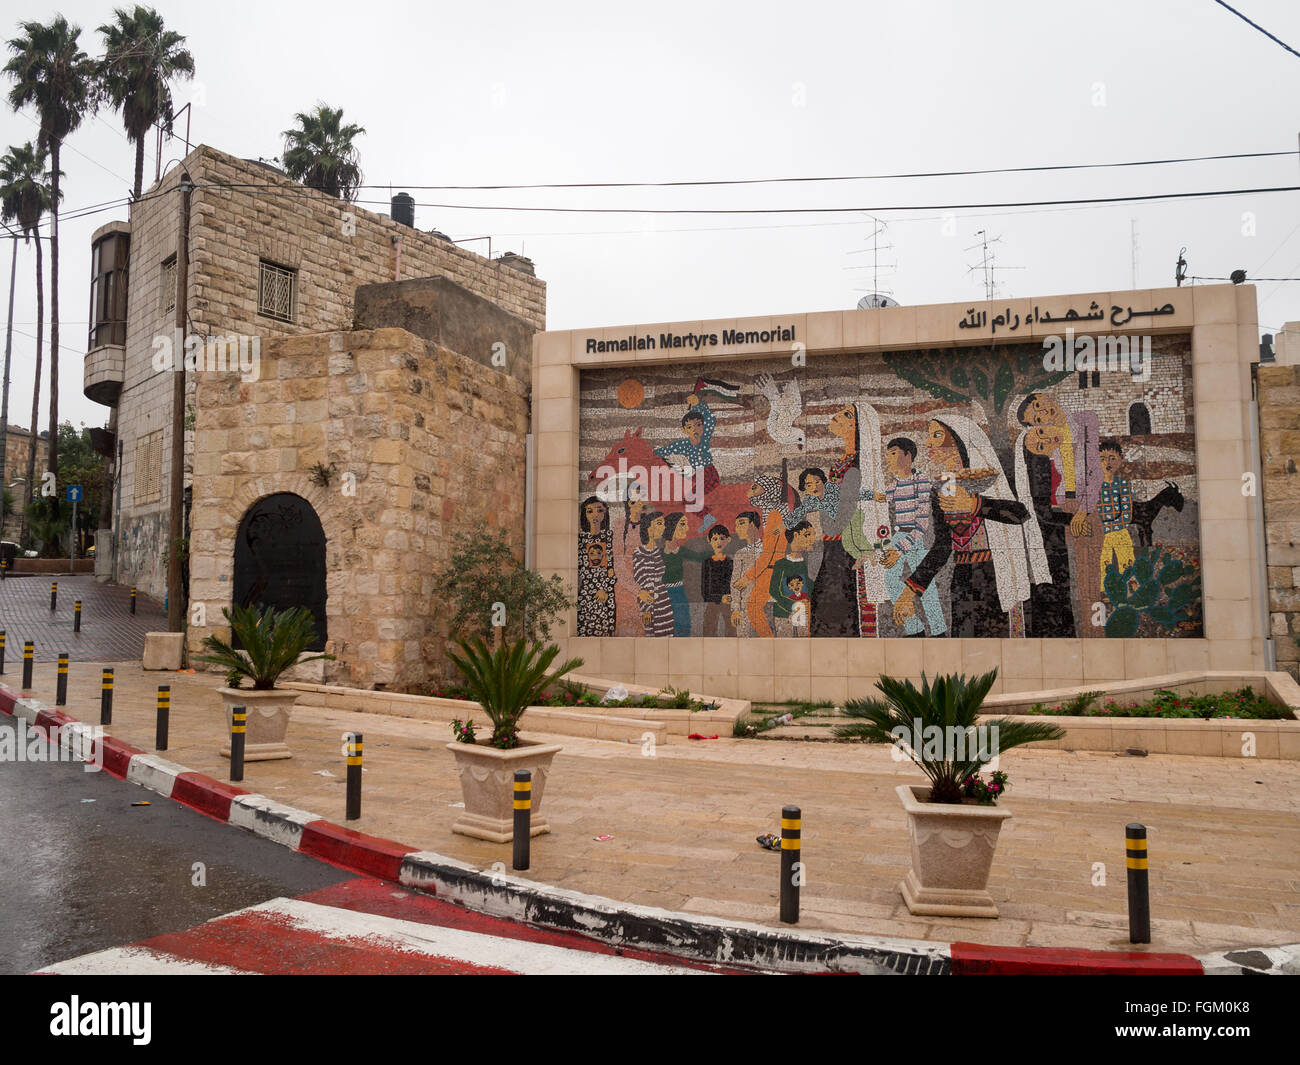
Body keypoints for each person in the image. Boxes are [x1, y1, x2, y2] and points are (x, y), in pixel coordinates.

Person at [894, 415, 1039, 638]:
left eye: (936, 435)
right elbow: (943, 546)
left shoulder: (987, 476)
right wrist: (910, 590)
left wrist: (974, 504)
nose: (929, 443)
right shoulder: (941, 486)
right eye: (929, 436)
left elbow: (1020, 513)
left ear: (958, 439)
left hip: (993, 575)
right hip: (962, 577)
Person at [1016, 392, 1103, 634]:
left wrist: (1082, 512)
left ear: (1043, 396)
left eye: (1037, 405)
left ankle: (1096, 634)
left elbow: (1095, 471)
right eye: (1036, 420)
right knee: (1070, 576)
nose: (1041, 413)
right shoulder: (1044, 442)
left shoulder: (1086, 420)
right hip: (1062, 509)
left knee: (1091, 577)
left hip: (1086, 508)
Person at [854, 437, 947, 637]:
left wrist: (899, 549)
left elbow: (921, 525)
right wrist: (855, 494)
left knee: (926, 586)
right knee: (890, 579)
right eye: (888, 454)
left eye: (893, 453)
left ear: (908, 455)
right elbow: (880, 496)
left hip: (915, 537)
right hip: (899, 534)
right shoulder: (896, 484)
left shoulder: (921, 482)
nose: (888, 458)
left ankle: (938, 631)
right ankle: (914, 628)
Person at [733, 477, 789, 638]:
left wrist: (748, 577)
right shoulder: (771, 513)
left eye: (755, 487)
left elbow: (769, 553)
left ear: (768, 489)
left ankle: (770, 642)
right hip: (772, 568)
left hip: (772, 570)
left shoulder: (774, 515)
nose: (750, 492)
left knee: (753, 608)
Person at [661, 512, 710, 636]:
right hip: (662, 594)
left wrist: (715, 548)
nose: (687, 528)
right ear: (672, 526)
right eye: (683, 524)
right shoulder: (659, 553)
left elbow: (699, 557)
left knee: (683, 625)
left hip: (679, 592)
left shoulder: (681, 551)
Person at [1097, 439, 1136, 587]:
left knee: (1127, 562)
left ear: (1120, 459)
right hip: (1101, 534)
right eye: (1102, 458)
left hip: (1120, 531)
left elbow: (1126, 514)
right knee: (1103, 564)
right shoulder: (1094, 486)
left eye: (1112, 458)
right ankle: (1105, 593)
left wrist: (1109, 526)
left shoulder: (1123, 484)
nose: (1107, 462)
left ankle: (1131, 590)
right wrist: (1100, 528)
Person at [577, 496, 615, 636]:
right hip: (588, 592)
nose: (595, 515)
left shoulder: (608, 537)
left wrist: (604, 588)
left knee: (606, 630)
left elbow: (610, 569)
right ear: (584, 514)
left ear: (605, 514)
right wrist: (596, 587)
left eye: (600, 511)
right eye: (590, 511)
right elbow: (583, 569)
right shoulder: (581, 539)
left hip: (606, 592)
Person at [632, 510, 674, 637]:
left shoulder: (657, 550)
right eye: (660, 523)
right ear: (649, 527)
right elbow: (644, 582)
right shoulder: (639, 552)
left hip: (664, 601)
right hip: (651, 604)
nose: (664, 527)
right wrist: (646, 608)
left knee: (667, 636)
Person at [770, 522, 815, 637]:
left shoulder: (808, 564)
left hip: (804, 613)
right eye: (807, 535)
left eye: (813, 535)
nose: (811, 539)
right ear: (796, 535)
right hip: (783, 614)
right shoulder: (781, 564)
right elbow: (774, 591)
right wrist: (793, 605)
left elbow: (812, 589)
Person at [612, 494, 648, 636]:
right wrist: (637, 590)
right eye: (637, 498)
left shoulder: (649, 525)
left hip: (645, 585)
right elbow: (618, 564)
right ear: (629, 503)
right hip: (625, 588)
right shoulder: (620, 524)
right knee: (626, 631)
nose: (641, 501)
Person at [729, 510, 763, 636]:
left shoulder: (768, 551)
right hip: (744, 608)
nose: (737, 529)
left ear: (753, 525)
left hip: (765, 606)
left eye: (741, 524)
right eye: (736, 525)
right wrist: (736, 609)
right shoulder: (740, 554)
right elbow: (734, 584)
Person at [699, 524, 736, 636]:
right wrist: (720, 597)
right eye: (715, 539)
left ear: (728, 540)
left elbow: (732, 585)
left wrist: (729, 597)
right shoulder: (707, 563)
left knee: (731, 629)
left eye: (722, 538)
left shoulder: (730, 563)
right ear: (709, 540)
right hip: (712, 601)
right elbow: (704, 590)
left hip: (728, 603)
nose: (718, 542)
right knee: (709, 628)